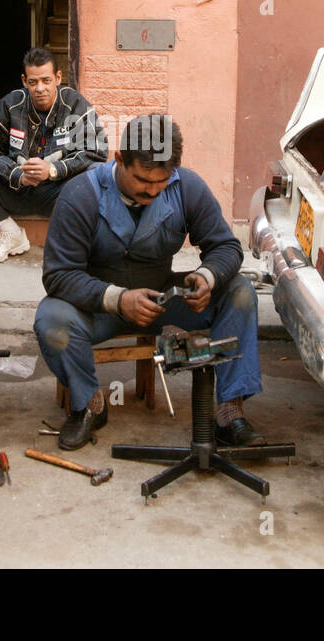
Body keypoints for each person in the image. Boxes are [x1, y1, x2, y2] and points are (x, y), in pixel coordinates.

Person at [33, 113, 266, 450]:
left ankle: (229, 412)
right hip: (97, 308)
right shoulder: (80, 195)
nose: (153, 191)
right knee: (52, 320)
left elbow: (226, 247)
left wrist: (206, 276)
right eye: (143, 180)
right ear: (119, 160)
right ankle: (89, 406)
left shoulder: (186, 187)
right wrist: (118, 298)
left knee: (240, 292)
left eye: (162, 181)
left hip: (162, 301)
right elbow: (58, 275)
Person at [0, 47, 108, 263]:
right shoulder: (12, 104)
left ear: (58, 78)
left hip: (59, 194)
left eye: (46, 81)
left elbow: (97, 151)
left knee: (99, 174)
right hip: (15, 189)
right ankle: (10, 233)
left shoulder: (74, 104)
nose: (40, 89)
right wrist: (16, 174)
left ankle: (80, 240)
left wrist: (53, 170)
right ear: (24, 81)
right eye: (33, 82)